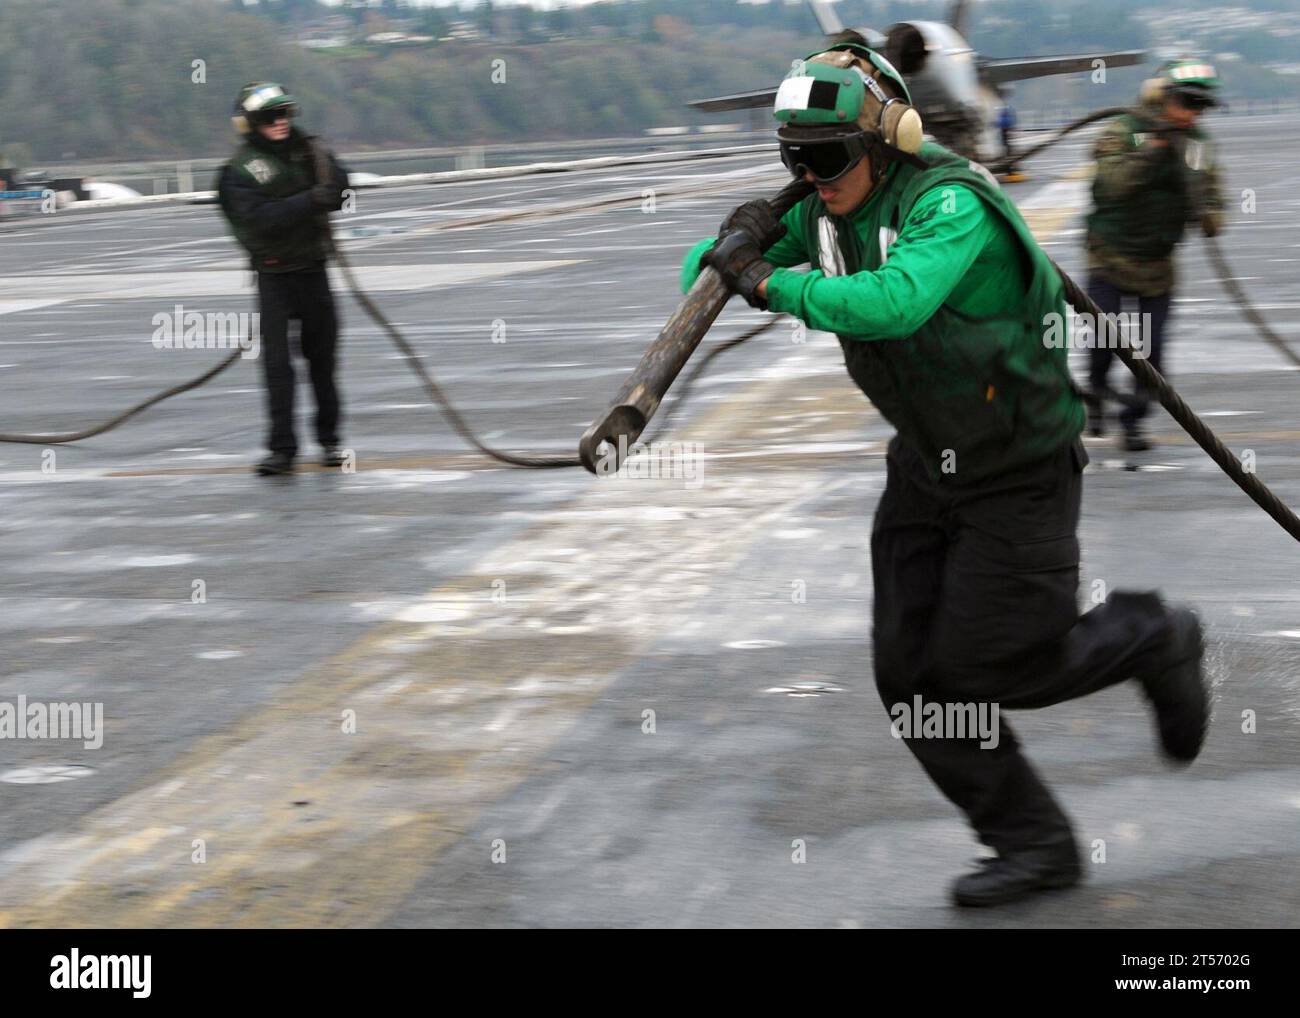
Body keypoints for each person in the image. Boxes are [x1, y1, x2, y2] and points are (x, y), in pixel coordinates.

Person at [680, 42, 1210, 906]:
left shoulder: (950, 204)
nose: (809, 176)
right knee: (911, 679)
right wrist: (732, 242)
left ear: (888, 136)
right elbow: (698, 277)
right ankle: (1032, 842)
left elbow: (893, 303)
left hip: (1019, 465)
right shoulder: (822, 201)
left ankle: (1155, 637)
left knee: (990, 664)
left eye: (824, 156)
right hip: (927, 464)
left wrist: (770, 281)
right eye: (792, 158)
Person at [1084, 59, 1224, 450]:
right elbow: (1108, 187)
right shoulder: (1124, 131)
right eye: (1187, 103)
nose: (1193, 114)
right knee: (1103, 343)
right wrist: (1153, 150)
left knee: (1153, 355)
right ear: (1164, 98)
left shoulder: (1198, 146)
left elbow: (1214, 197)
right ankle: (1095, 393)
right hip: (1110, 259)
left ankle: (1132, 422)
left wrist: (1209, 215)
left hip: (1158, 267)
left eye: (1200, 107)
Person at [217, 82, 350, 476]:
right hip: (274, 277)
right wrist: (310, 199)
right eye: (269, 117)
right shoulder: (238, 173)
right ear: (251, 124)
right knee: (278, 367)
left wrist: (331, 176)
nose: (279, 122)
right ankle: (282, 449)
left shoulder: (310, 151)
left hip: (314, 271)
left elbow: (340, 189)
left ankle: (330, 442)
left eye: (284, 114)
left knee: (322, 361)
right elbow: (259, 220)